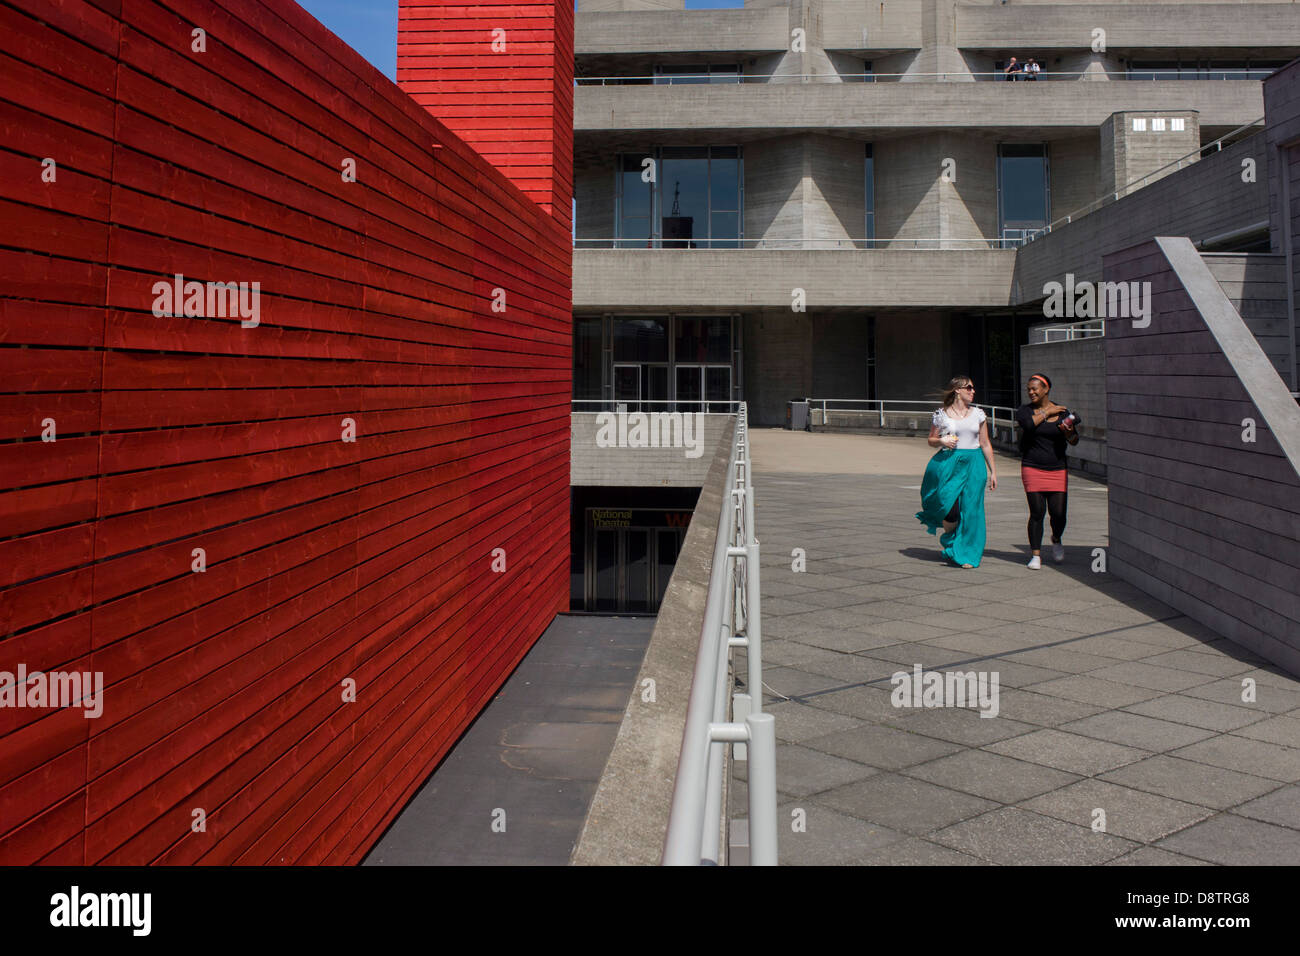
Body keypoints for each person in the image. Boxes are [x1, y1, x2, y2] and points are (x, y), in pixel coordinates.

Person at [916, 377, 998, 568]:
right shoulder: (941, 414)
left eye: (973, 388)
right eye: (969, 387)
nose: (973, 391)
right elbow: (931, 439)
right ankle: (951, 540)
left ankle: (968, 554)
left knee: (972, 510)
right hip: (950, 462)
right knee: (948, 508)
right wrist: (942, 441)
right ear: (957, 390)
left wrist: (993, 471)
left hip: (974, 462)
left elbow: (985, 443)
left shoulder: (978, 414)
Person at [1015, 373, 1080, 569]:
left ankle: (1056, 538)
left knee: (1058, 514)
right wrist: (1047, 412)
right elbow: (1027, 425)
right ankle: (1035, 555)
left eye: (1035, 388)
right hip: (1032, 466)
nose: (1031, 392)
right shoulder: (1025, 411)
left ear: (1046, 389)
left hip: (1057, 468)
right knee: (1037, 512)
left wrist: (1068, 432)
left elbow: (1075, 440)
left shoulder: (1062, 412)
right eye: (1029, 389)